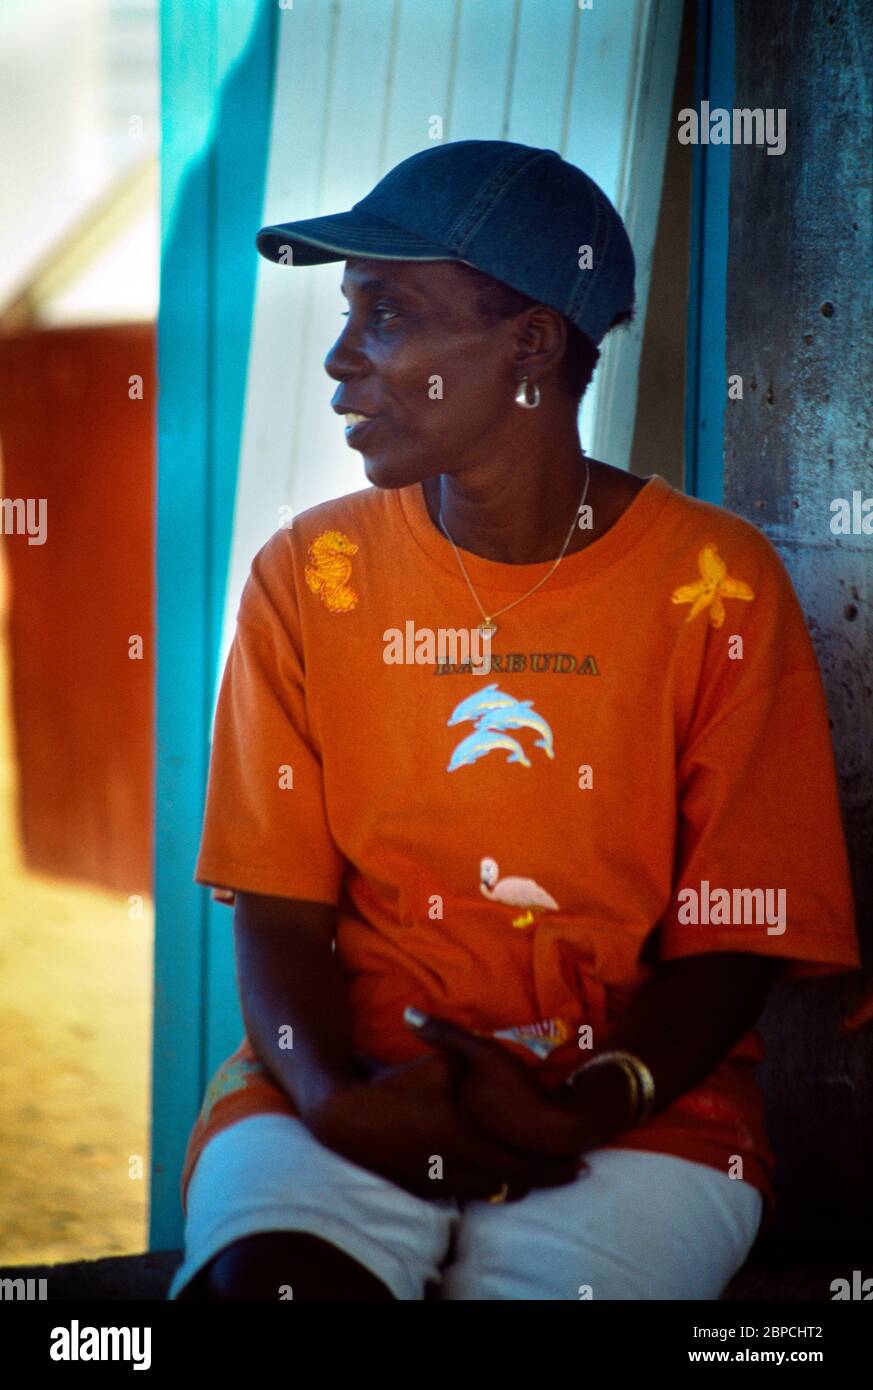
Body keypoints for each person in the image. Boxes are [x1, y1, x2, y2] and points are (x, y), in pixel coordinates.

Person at [168, 140, 860, 1301]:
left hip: (644, 1110)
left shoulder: (712, 585)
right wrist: (342, 1103)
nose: (341, 361)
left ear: (533, 347)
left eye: (386, 316)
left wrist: (592, 1099)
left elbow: (737, 932)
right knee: (268, 1288)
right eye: (349, 314)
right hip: (347, 1080)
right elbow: (278, 906)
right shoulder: (311, 574)